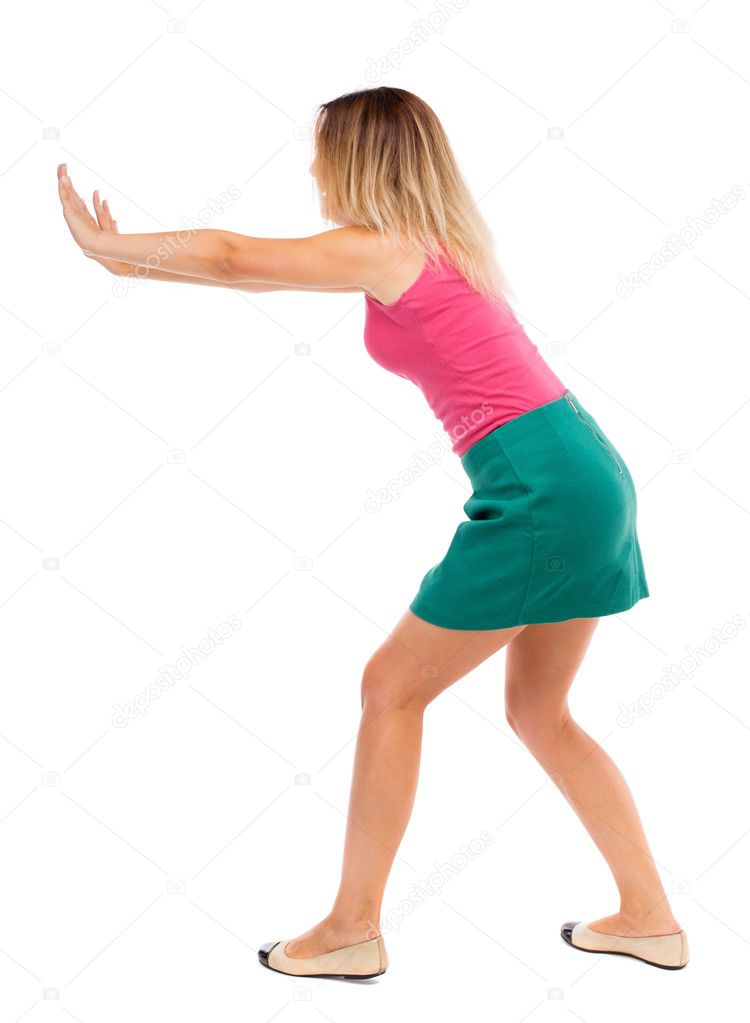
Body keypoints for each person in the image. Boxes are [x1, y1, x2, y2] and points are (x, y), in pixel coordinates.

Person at [56, 86, 688, 978]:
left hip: (544, 485)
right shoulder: (429, 245)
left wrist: (108, 245)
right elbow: (254, 268)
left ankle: (353, 928)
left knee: (390, 686)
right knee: (537, 709)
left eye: (322, 152)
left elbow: (238, 257)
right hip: (583, 470)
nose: (313, 167)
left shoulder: (386, 246)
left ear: (358, 158)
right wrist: (132, 265)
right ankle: (651, 918)